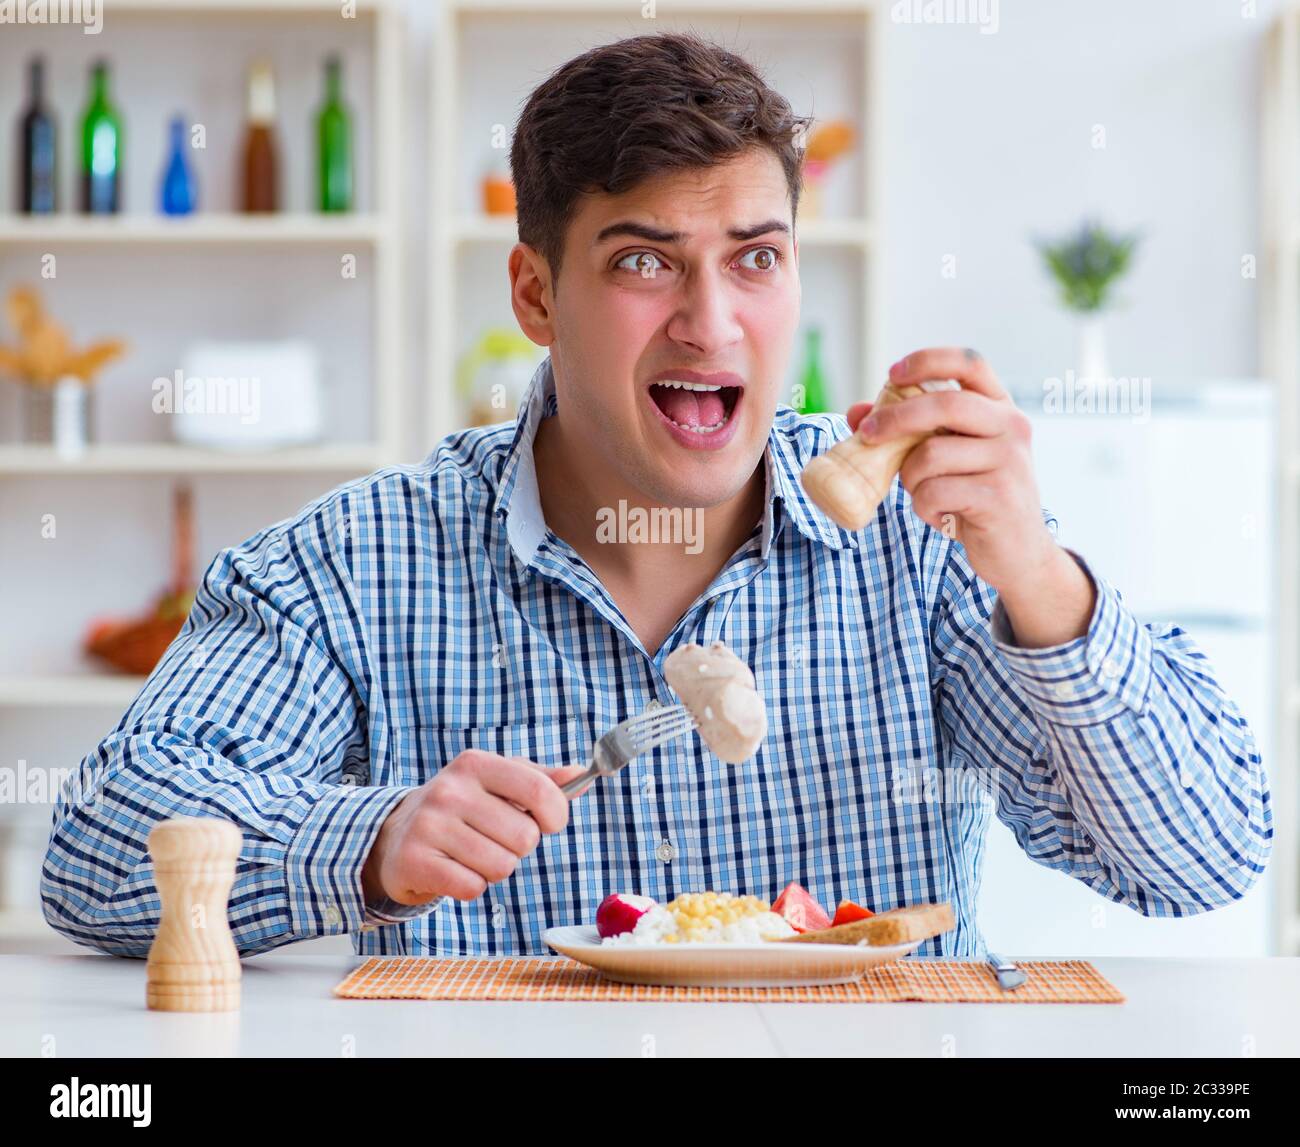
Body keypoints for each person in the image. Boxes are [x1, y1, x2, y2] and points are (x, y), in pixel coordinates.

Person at [43, 33, 1270, 958]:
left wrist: (1044, 586)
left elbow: (1203, 861)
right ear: (534, 295)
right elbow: (94, 846)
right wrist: (361, 842)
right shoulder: (350, 565)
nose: (710, 321)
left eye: (756, 258)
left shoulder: (926, 545)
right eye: (643, 261)